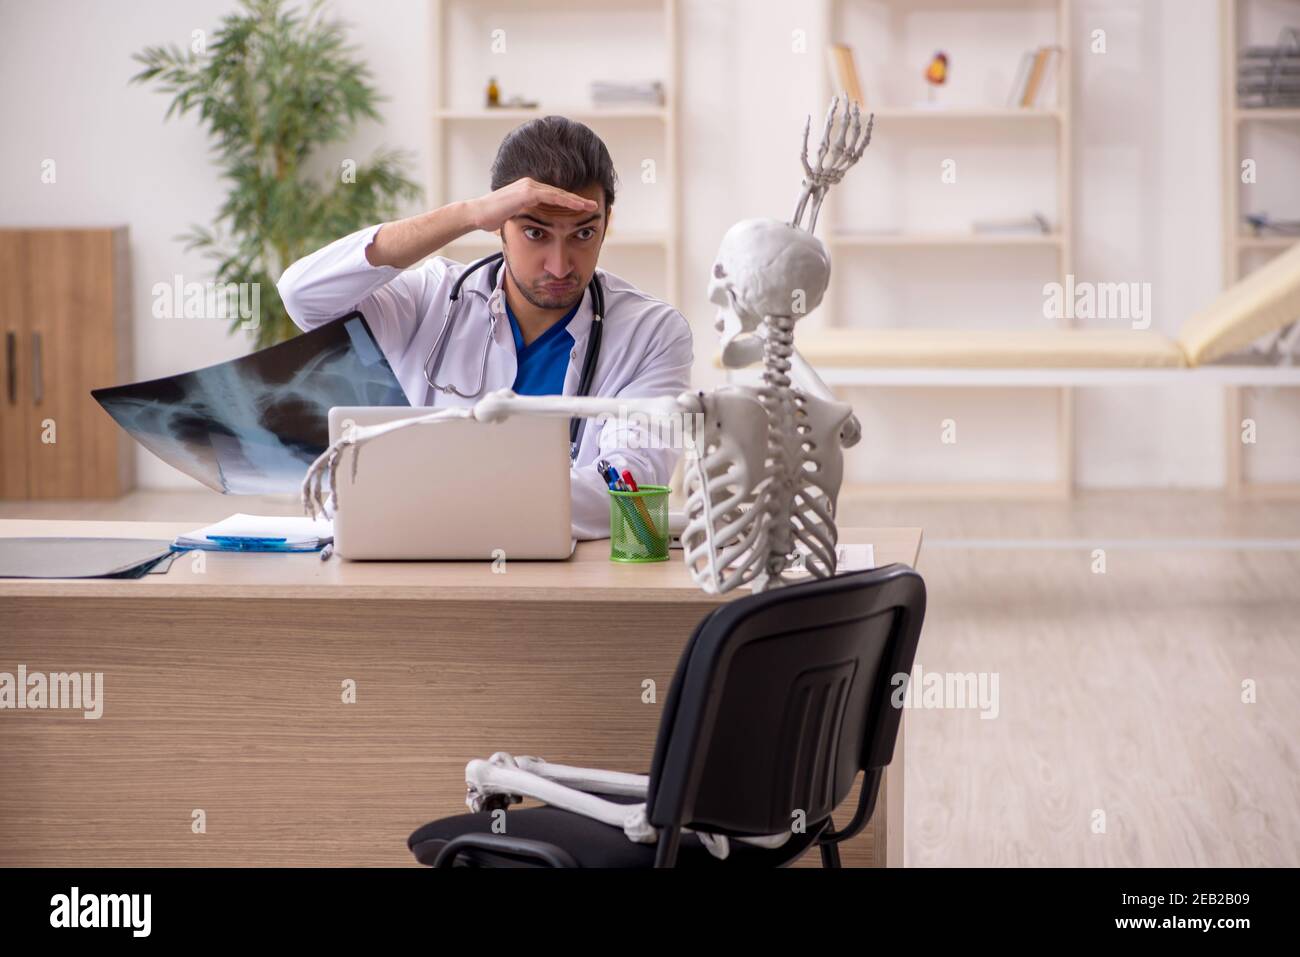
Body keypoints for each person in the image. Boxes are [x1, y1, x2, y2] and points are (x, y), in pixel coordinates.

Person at [278, 116, 694, 539]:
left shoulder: (652, 335)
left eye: (584, 233)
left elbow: (630, 489)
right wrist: (466, 214)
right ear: (498, 223)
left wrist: (429, 497)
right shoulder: (431, 299)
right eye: (535, 232)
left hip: (560, 585)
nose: (560, 264)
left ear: (608, 222)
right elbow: (303, 295)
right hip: (411, 572)